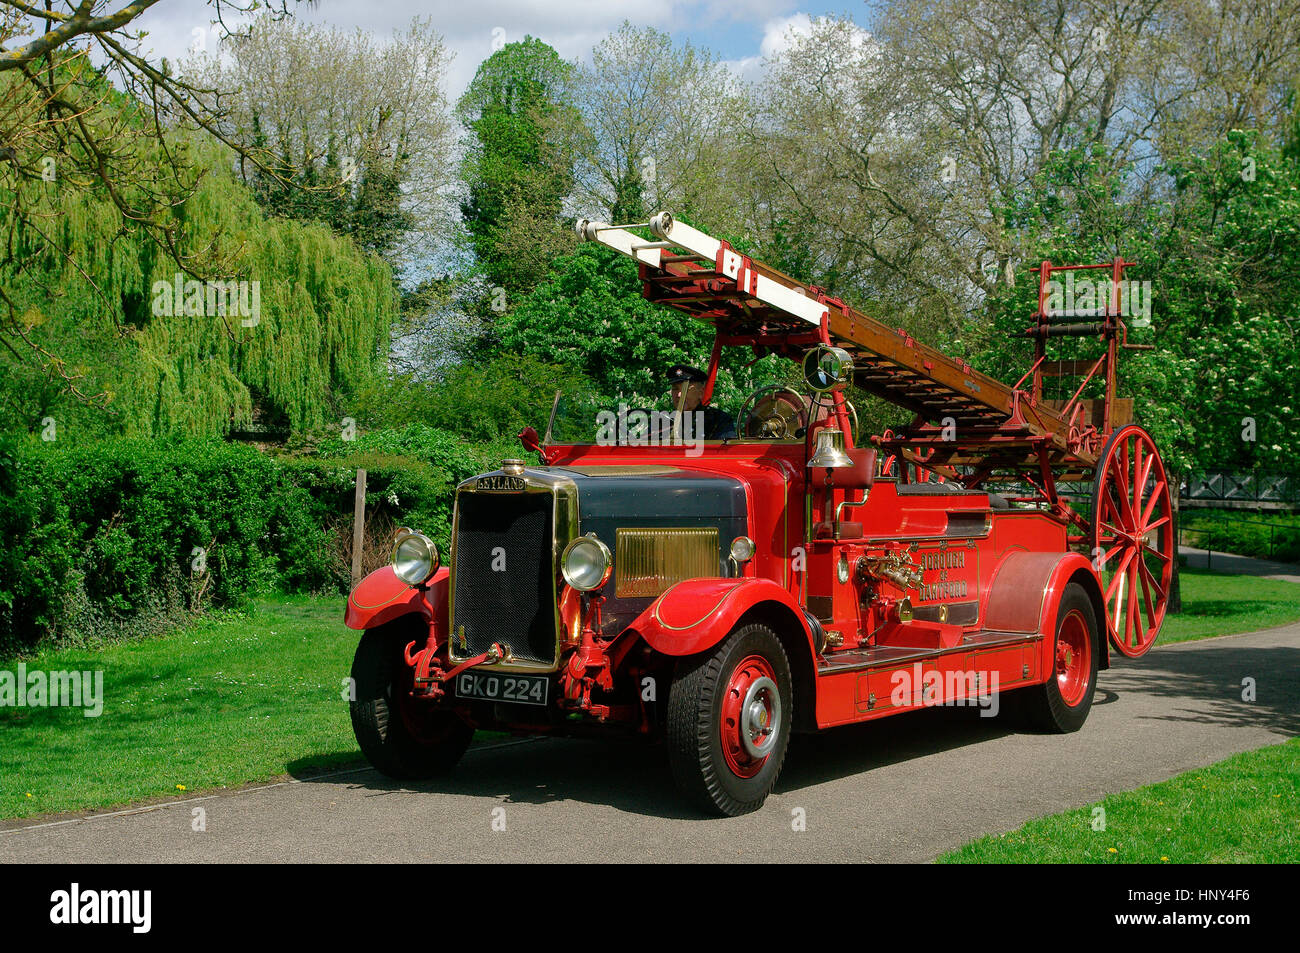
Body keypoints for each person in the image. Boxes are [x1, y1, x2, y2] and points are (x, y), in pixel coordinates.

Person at [665, 364, 737, 440]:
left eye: (685, 389)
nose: (679, 395)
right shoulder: (663, 422)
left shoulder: (719, 420)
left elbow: (724, 450)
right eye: (675, 389)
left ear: (701, 393)